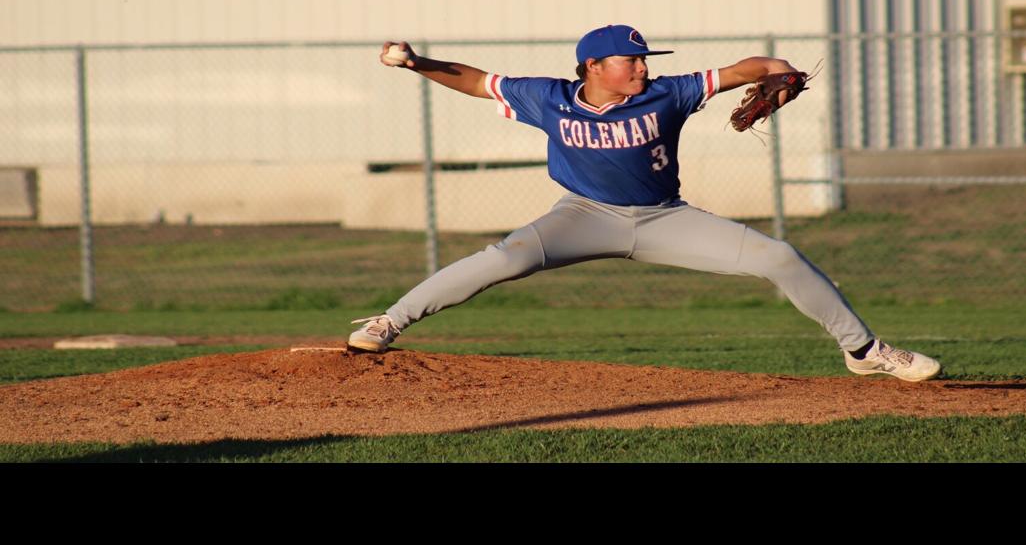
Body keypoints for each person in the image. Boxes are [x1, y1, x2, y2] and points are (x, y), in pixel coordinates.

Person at [347, 24, 940, 382]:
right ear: (592, 67)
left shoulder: (668, 93)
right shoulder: (548, 98)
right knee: (502, 258)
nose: (641, 66)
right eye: (630, 60)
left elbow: (750, 67)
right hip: (581, 216)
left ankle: (863, 351)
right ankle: (388, 321)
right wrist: (416, 62)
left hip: (665, 219)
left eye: (643, 59)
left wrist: (780, 72)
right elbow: (477, 81)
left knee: (780, 257)